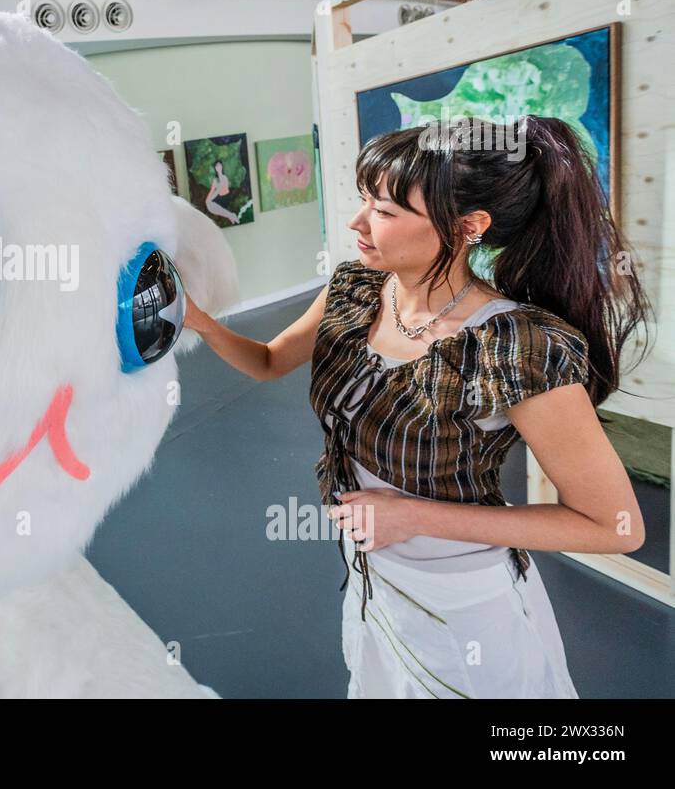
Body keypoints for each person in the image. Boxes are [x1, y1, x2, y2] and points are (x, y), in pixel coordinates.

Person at [182, 115, 651, 698]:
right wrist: (193, 318)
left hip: (463, 601)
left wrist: (412, 517)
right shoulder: (355, 287)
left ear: (468, 227)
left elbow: (616, 527)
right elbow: (270, 361)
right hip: (371, 573)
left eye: (384, 211)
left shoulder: (515, 346)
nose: (357, 222)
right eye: (364, 200)